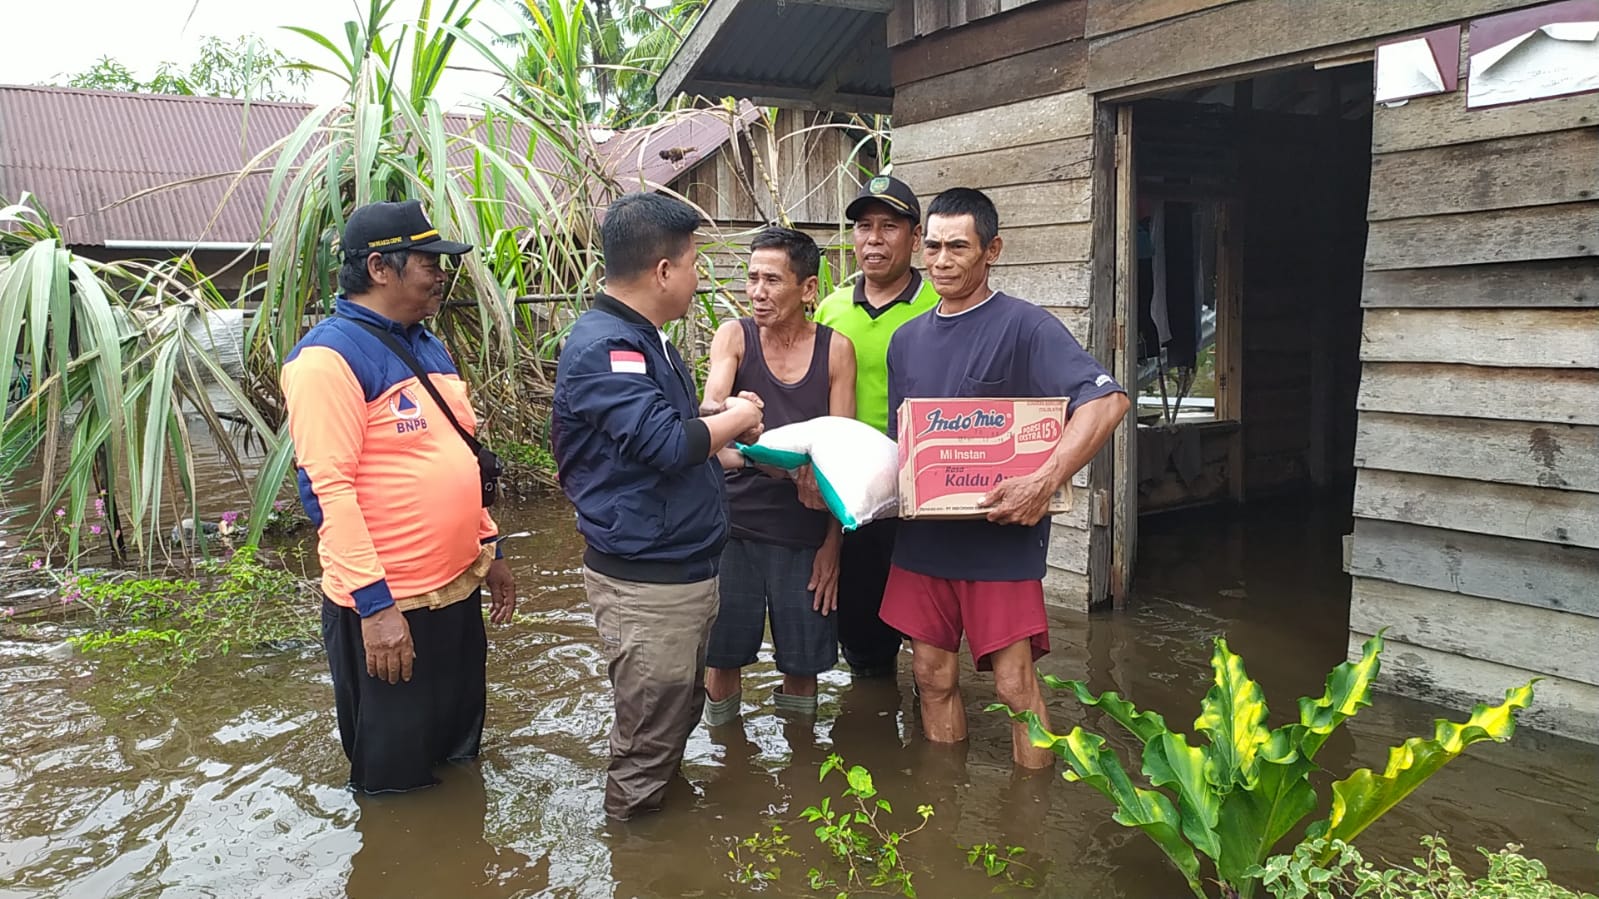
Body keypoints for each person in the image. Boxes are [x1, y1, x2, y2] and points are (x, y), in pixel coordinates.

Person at [883, 187, 1129, 768]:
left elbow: (1106, 402)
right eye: (934, 246)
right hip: (924, 540)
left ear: (992, 249)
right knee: (930, 675)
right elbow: (906, 442)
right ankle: (942, 798)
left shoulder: (1026, 327)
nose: (942, 260)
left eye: (959, 247)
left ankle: (1033, 823)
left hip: (999, 539)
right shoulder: (906, 339)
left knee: (1015, 688)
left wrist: (1044, 480)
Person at [280, 199, 518, 794]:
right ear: (381, 268)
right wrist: (376, 608)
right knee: (395, 782)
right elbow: (328, 491)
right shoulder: (326, 359)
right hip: (391, 607)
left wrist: (488, 550)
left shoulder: (426, 343)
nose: (441, 274)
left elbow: (460, 451)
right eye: (428, 263)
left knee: (458, 749)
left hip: (456, 590)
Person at [551, 191, 765, 821]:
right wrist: (742, 417)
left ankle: (661, 839)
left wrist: (714, 421)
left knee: (671, 717)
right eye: (696, 263)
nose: (700, 278)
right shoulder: (607, 348)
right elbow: (669, 444)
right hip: (647, 581)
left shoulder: (645, 340)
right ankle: (637, 854)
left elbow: (661, 426)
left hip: (678, 568)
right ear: (664, 270)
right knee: (648, 736)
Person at [699, 227, 856, 723]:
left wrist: (833, 547)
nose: (757, 292)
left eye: (772, 280)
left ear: (808, 289)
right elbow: (709, 403)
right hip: (734, 529)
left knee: (803, 663)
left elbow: (839, 453)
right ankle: (726, 763)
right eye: (751, 279)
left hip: (804, 532)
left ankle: (803, 765)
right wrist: (729, 407)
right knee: (721, 657)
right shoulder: (735, 336)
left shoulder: (836, 350)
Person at [812, 174, 941, 679]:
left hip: (926, 497)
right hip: (857, 499)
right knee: (865, 638)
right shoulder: (831, 310)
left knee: (934, 640)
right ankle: (876, 721)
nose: (874, 239)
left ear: (914, 239)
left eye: (890, 226)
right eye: (864, 226)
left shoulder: (941, 305)